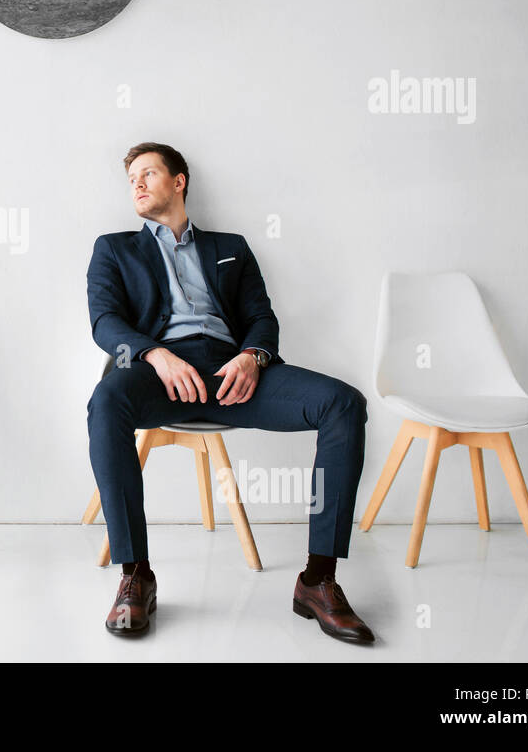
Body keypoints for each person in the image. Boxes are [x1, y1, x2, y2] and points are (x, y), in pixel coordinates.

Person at [86, 142, 375, 643]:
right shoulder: (113, 248)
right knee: (106, 401)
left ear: (179, 182)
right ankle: (136, 575)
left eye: (148, 172)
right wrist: (155, 354)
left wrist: (252, 356)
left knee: (343, 403)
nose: (136, 182)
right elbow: (105, 321)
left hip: (233, 372)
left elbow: (262, 316)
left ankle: (318, 579)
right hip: (160, 371)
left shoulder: (231, 246)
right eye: (131, 176)